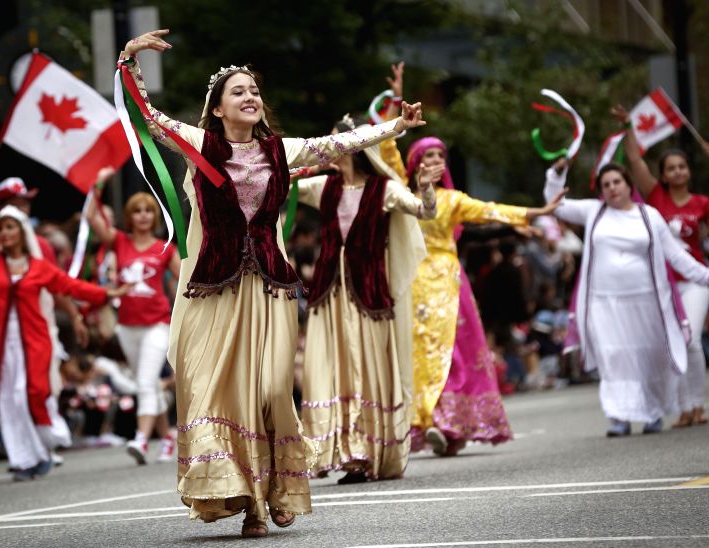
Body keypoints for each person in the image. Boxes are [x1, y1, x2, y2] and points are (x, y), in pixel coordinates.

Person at [121, 29, 428, 537]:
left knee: (269, 390)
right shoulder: (199, 144)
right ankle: (252, 504)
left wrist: (395, 125)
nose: (250, 98)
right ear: (217, 108)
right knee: (222, 395)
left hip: (271, 291)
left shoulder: (281, 150)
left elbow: (340, 142)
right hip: (216, 291)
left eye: (255, 91)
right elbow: (147, 118)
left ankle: (281, 486)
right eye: (238, 92)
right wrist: (129, 60)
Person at [0, 160, 128, 481]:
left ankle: (45, 446)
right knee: (11, 398)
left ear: (21, 232)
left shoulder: (39, 266)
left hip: (35, 341)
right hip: (1, 345)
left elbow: (72, 287)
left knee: (33, 393)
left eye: (10, 228)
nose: (3, 233)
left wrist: (108, 293)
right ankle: (25, 459)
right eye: (1, 228)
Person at [295, 116, 440, 483]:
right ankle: (332, 451)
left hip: (369, 297)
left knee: (366, 369)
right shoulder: (321, 187)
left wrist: (425, 188)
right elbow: (276, 188)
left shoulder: (383, 189)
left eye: (333, 141)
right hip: (329, 297)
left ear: (355, 147)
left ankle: (364, 451)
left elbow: (425, 212)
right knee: (329, 369)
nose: (328, 147)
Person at [405, 137, 562, 455]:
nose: (436, 160)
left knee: (454, 351)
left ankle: (451, 423)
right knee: (421, 351)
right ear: (414, 163)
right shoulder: (399, 197)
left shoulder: (451, 200)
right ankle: (429, 418)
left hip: (448, 283)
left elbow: (489, 210)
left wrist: (535, 212)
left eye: (441, 155)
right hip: (411, 282)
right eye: (428, 155)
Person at [545, 162, 709, 436]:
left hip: (646, 302)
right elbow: (555, 204)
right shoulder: (594, 211)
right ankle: (619, 416)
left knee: (648, 356)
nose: (612, 188)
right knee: (613, 356)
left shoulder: (649, 216)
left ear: (628, 185)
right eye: (606, 185)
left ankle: (652, 413)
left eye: (616, 182)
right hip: (604, 303)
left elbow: (679, 259)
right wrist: (556, 173)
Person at [611, 105, 709, 428]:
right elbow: (636, 161)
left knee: (690, 339)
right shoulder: (655, 197)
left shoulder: (702, 204)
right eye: (672, 168)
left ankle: (698, 403)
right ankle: (683, 408)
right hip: (661, 281)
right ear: (663, 175)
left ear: (689, 172)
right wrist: (628, 127)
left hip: (694, 279)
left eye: (683, 167)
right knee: (672, 343)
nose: (678, 172)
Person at [87, 169, 180, 465]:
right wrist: (98, 182)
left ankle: (140, 440)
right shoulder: (120, 242)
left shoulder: (165, 248)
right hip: (127, 326)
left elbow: (185, 282)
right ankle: (167, 437)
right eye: (136, 211)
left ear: (155, 217)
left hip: (157, 324)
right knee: (148, 383)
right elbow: (91, 217)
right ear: (129, 216)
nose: (142, 216)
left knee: (145, 380)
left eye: (147, 211)